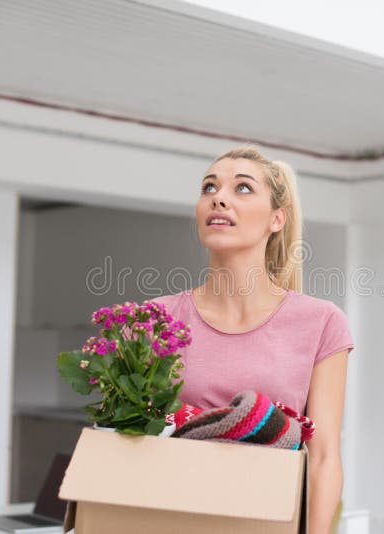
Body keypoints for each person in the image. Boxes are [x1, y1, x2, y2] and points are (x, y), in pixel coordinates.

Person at [151, 146, 354, 534]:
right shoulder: (156, 320)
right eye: (209, 187)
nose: (219, 197)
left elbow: (324, 456)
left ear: (277, 219)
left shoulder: (322, 322)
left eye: (242, 188)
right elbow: (132, 438)